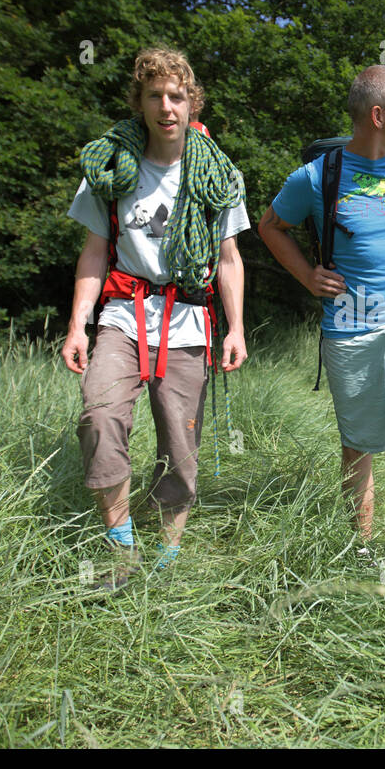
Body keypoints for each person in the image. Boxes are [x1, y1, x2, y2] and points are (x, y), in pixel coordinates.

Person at [258, 65, 385, 591]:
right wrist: (307, 275)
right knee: (359, 445)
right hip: (349, 329)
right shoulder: (316, 177)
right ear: (378, 115)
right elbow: (271, 226)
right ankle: (362, 550)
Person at [61, 47, 249, 591]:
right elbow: (95, 253)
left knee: (179, 441)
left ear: (192, 101)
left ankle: (167, 555)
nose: (166, 106)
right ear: (139, 102)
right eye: (154, 95)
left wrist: (234, 328)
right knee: (100, 415)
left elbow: (229, 259)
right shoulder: (113, 168)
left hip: (188, 318)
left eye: (176, 95)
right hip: (123, 315)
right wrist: (79, 324)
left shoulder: (217, 173)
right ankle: (121, 547)